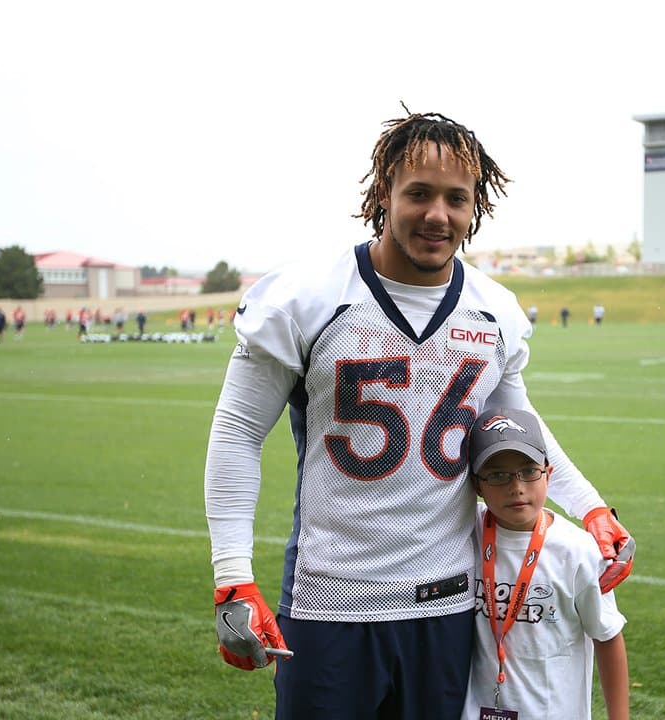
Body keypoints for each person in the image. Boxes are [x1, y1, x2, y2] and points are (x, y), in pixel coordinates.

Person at [206, 108, 634, 720]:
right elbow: (238, 432)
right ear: (384, 193)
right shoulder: (308, 297)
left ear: (475, 207)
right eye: (420, 194)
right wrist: (231, 575)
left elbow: (523, 425)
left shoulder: (494, 312)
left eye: (456, 198)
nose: (438, 214)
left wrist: (591, 507)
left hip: (447, 605)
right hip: (332, 601)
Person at [463, 408, 628, 719]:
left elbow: (607, 636)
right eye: (498, 474)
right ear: (477, 486)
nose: (516, 487)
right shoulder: (464, 533)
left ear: (548, 474)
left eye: (528, 471)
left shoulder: (578, 551)